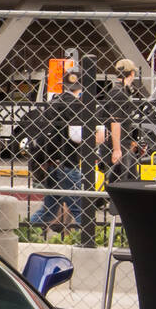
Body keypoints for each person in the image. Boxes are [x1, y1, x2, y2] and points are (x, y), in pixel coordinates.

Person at [29, 72, 97, 245]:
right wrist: (94, 136)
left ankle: (25, 229)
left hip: (50, 162)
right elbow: (76, 136)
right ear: (81, 89)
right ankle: (88, 240)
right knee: (80, 207)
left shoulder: (53, 103)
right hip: (67, 161)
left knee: (50, 209)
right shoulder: (75, 105)